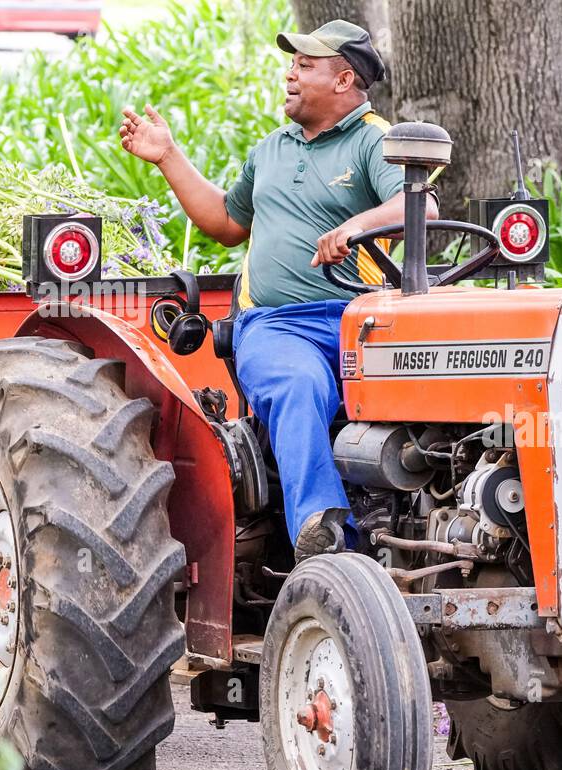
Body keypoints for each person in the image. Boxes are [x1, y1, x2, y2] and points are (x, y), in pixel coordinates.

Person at [119, 19, 436, 559]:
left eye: (304, 66)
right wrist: (168, 156)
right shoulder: (271, 149)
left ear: (343, 80)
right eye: (292, 64)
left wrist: (354, 226)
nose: (289, 74)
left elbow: (420, 207)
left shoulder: (375, 140)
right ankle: (325, 532)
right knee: (296, 382)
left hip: (359, 319)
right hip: (276, 324)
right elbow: (224, 223)